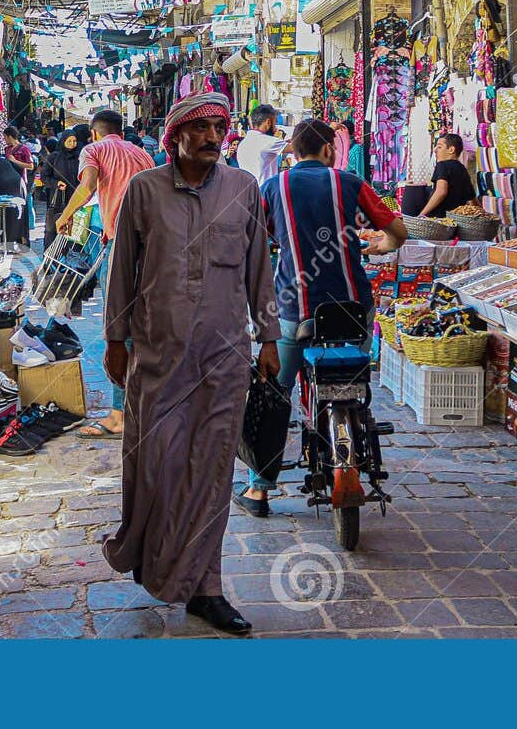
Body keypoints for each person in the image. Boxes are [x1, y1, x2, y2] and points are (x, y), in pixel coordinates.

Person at [101, 92, 279, 635]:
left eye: (218, 127)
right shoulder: (144, 191)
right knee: (156, 466)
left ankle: (207, 588)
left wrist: (268, 337)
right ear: (175, 135)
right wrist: (115, 341)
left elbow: (259, 270)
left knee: (210, 472)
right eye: (199, 127)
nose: (211, 136)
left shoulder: (244, 189)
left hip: (224, 359)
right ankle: (149, 553)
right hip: (157, 358)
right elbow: (122, 273)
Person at [238, 118, 407, 515]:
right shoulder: (349, 183)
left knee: (274, 392)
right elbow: (398, 229)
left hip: (294, 310)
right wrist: (381, 246)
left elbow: (250, 242)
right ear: (330, 150)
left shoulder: (272, 187)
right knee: (353, 379)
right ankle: (355, 431)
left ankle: (259, 489)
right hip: (352, 309)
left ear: (292, 152)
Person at [58, 110, 155, 438]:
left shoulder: (94, 150)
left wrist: (65, 215)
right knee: (142, 328)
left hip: (123, 247)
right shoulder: (142, 153)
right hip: (151, 247)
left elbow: (87, 186)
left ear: (95, 134)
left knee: (119, 330)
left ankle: (119, 414)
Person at [40, 123, 88, 252]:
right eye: (69, 141)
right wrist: (56, 184)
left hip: (77, 199)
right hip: (58, 201)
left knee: (75, 232)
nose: (72, 144)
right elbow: (44, 177)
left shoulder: (80, 157)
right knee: (53, 231)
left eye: (74, 141)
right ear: (63, 141)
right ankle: (52, 263)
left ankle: (72, 263)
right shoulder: (54, 157)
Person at [419, 132, 478, 216]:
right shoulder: (462, 168)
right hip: (458, 219)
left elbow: (441, 192)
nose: (435, 150)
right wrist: (483, 215)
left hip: (441, 219)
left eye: (439, 147)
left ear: (451, 150)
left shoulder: (442, 165)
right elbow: (472, 198)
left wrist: (422, 214)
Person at [235, 103, 286, 185]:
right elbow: (298, 147)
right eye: (275, 123)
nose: (276, 128)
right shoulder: (268, 141)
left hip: (250, 193)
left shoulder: (243, 143)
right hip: (266, 194)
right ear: (268, 122)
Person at [4, 125, 35, 241]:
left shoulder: (24, 149)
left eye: (5, 137)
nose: (4, 140)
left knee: (21, 209)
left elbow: (30, 166)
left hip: (20, 182)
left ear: (9, 136)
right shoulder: (7, 149)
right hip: (8, 182)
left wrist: (14, 161)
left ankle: (22, 237)